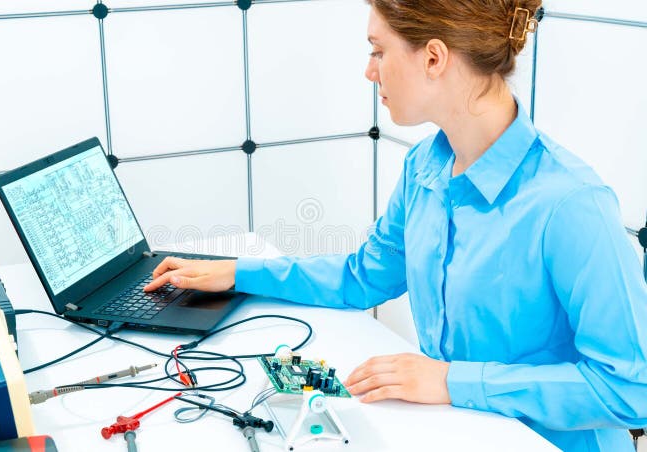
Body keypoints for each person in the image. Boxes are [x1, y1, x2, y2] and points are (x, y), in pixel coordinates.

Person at [143, 1, 647, 450]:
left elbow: (632, 389)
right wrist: (238, 273)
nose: (369, 71)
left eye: (378, 51)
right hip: (456, 432)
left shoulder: (571, 204)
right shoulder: (425, 167)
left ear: (434, 58)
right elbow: (365, 276)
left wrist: (451, 381)